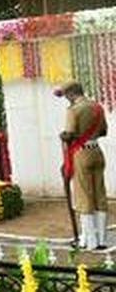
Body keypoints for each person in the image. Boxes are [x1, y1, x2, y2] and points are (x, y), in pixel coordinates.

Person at [56, 81, 109, 250]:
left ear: (72, 93)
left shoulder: (74, 110)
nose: (66, 98)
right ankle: (101, 239)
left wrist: (63, 136)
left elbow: (70, 134)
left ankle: (90, 242)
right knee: (99, 195)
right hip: (97, 151)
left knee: (83, 196)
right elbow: (103, 131)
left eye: (66, 95)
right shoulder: (97, 107)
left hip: (81, 153)